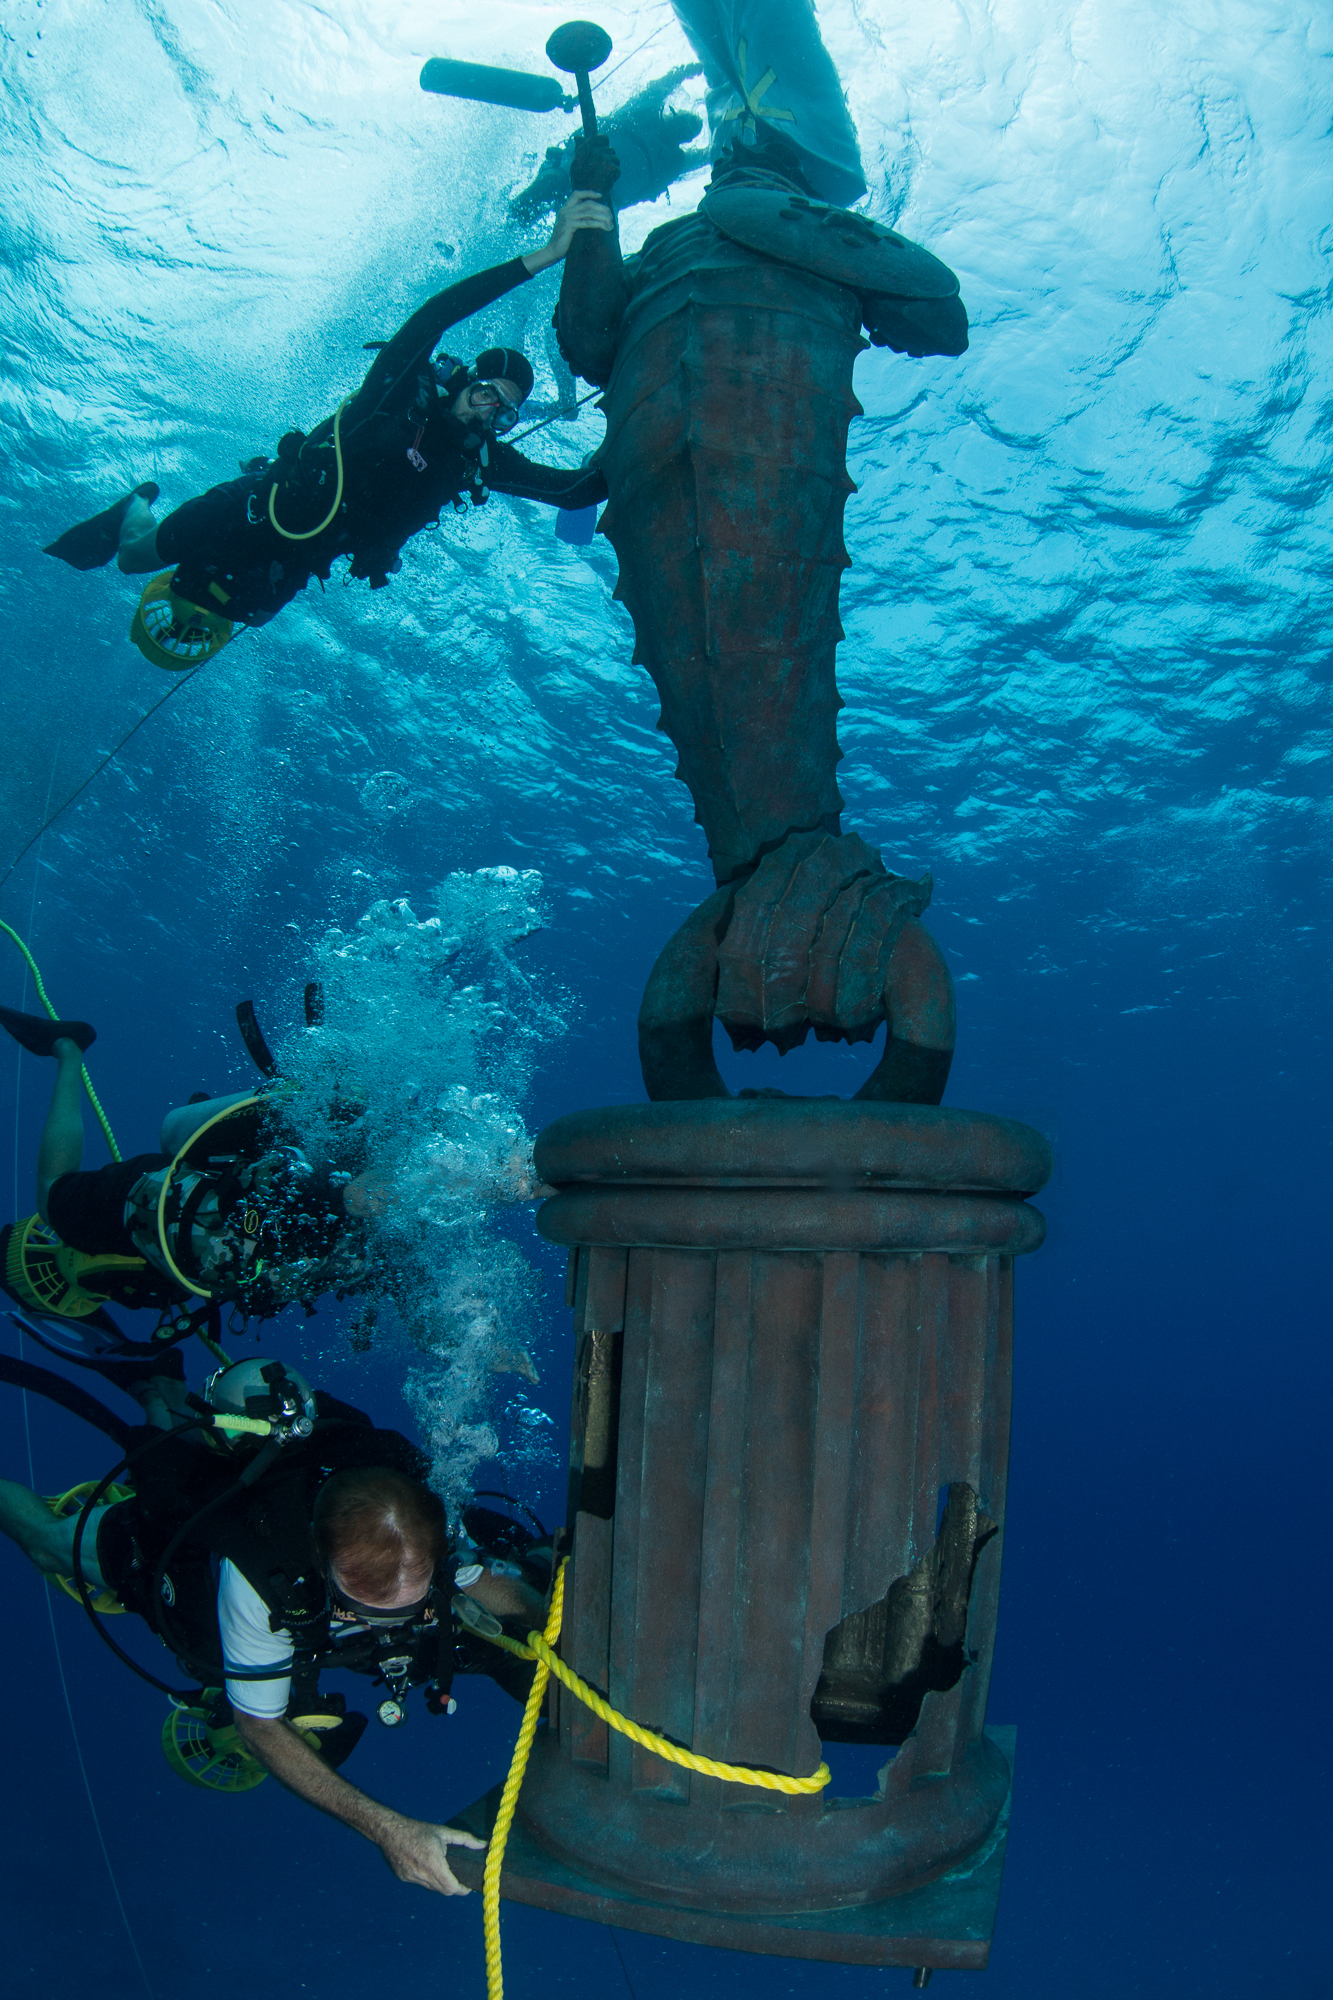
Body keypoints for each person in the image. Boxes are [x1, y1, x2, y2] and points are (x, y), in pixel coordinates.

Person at [0, 1351, 550, 1896]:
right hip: (180, 1539)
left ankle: (160, 1394)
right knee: (49, 1544)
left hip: (325, 1510)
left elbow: (496, 1589)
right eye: (368, 1608)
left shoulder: (426, 1522)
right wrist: (391, 1831)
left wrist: (547, 1627)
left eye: (412, 1600)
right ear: (323, 1567)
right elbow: (258, 1725)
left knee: (491, 1633)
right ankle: (157, 1400)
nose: (394, 1623)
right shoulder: (260, 1573)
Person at [43, 192, 615, 667]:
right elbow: (435, 316)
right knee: (133, 560)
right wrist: (547, 253)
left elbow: (574, 490)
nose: (490, 414)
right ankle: (135, 505)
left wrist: (632, 383)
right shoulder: (395, 402)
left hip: (289, 566)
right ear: (465, 382)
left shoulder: (478, 463)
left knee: (239, 613)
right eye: (487, 394)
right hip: (254, 507)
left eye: (506, 412)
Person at [0, 1003, 369, 1327]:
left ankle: (309, 1105)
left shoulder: (87, 1253)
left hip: (194, 1217)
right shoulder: (113, 1263)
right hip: (177, 1199)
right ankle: (306, 1100)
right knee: (179, 1136)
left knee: (59, 1197)